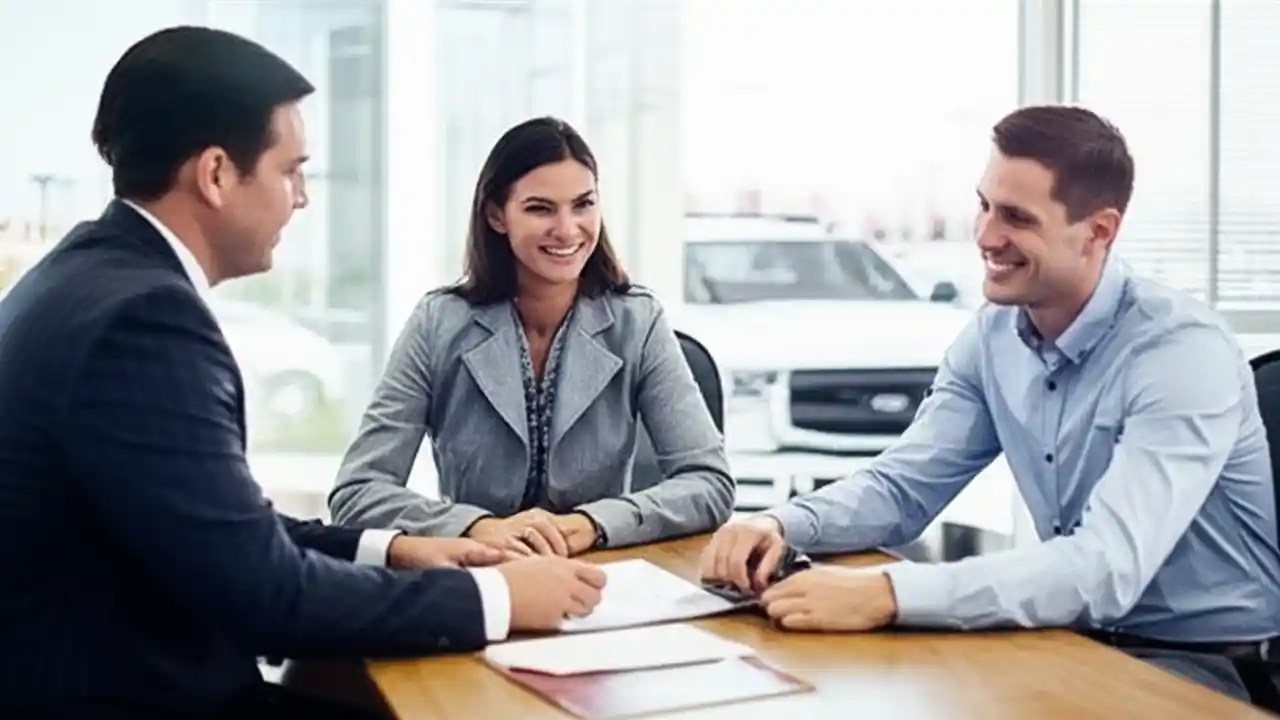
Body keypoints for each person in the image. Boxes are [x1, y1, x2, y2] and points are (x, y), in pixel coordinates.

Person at [0, 27, 605, 718]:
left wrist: (399, 550)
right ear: (217, 174)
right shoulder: (142, 321)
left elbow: (223, 529)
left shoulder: (80, 279)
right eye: (292, 171)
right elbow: (265, 597)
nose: (302, 198)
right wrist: (496, 597)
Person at [701, 105, 1280, 708]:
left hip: (1209, 668)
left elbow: (1105, 569)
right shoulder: (995, 335)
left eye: (1016, 218)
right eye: (984, 205)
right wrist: (779, 524)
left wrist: (888, 594)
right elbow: (903, 489)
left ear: (1099, 231)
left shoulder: (1181, 352)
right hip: (1072, 642)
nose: (984, 236)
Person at [329, 117, 734, 557]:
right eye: (541, 208)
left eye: (583, 205)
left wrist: (591, 524)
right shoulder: (438, 323)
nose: (567, 229)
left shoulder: (638, 321)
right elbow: (357, 492)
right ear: (496, 215)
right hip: (480, 574)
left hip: (602, 574)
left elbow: (709, 483)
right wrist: (476, 527)